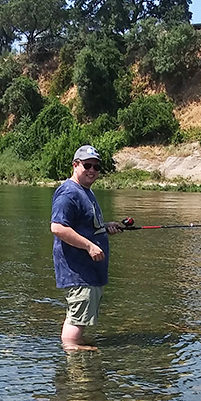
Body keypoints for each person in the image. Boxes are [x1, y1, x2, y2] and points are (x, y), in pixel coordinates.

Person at [50, 145, 122, 350]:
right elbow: (58, 227)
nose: (92, 170)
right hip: (77, 270)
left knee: (81, 315)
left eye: (96, 167)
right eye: (87, 165)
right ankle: (72, 353)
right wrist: (90, 246)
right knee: (77, 317)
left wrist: (105, 227)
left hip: (89, 271)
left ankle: (75, 351)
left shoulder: (85, 192)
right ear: (75, 165)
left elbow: (83, 225)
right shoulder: (69, 193)